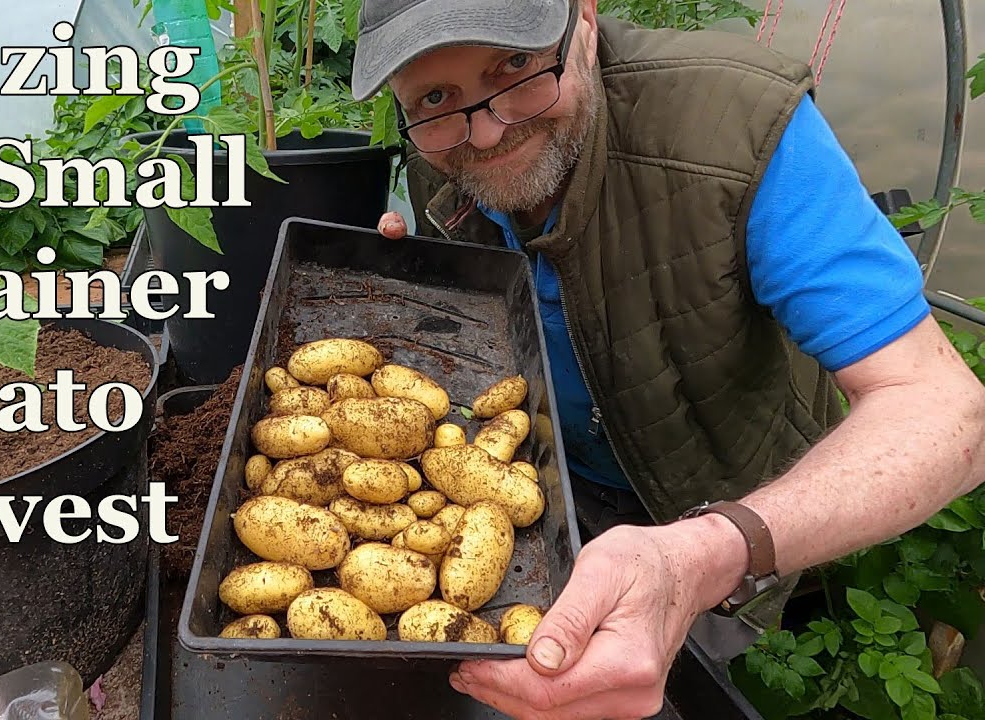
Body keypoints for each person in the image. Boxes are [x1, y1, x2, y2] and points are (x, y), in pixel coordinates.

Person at [350, 0, 985, 718]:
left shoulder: (736, 126)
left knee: (677, 682)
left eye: (517, 65)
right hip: (532, 498)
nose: (488, 129)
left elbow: (945, 411)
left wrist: (709, 552)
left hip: (714, 516)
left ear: (582, 17)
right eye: (436, 98)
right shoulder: (446, 146)